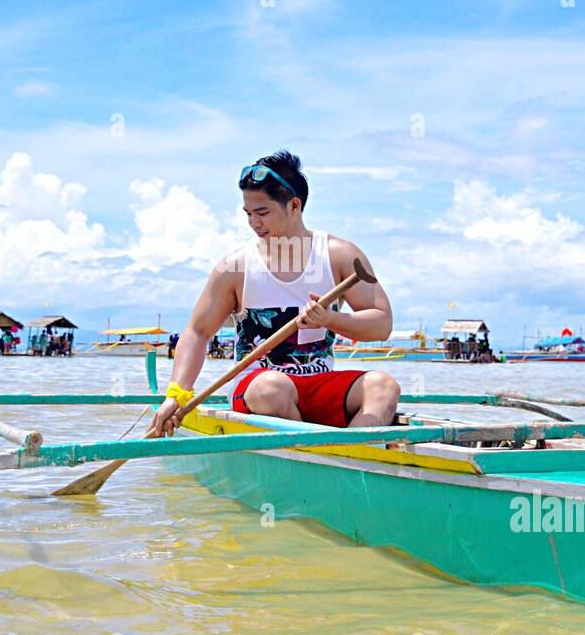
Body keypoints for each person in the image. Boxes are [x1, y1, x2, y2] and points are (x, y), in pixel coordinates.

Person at [150, 151, 399, 437]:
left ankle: (351, 461)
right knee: (273, 388)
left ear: (294, 205)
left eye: (263, 213)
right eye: (248, 214)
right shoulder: (235, 268)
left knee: (383, 386)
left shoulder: (339, 255)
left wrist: (329, 320)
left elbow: (382, 324)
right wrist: (176, 395)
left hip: (317, 383)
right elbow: (197, 332)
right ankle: (318, 456)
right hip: (257, 389)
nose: (254, 223)